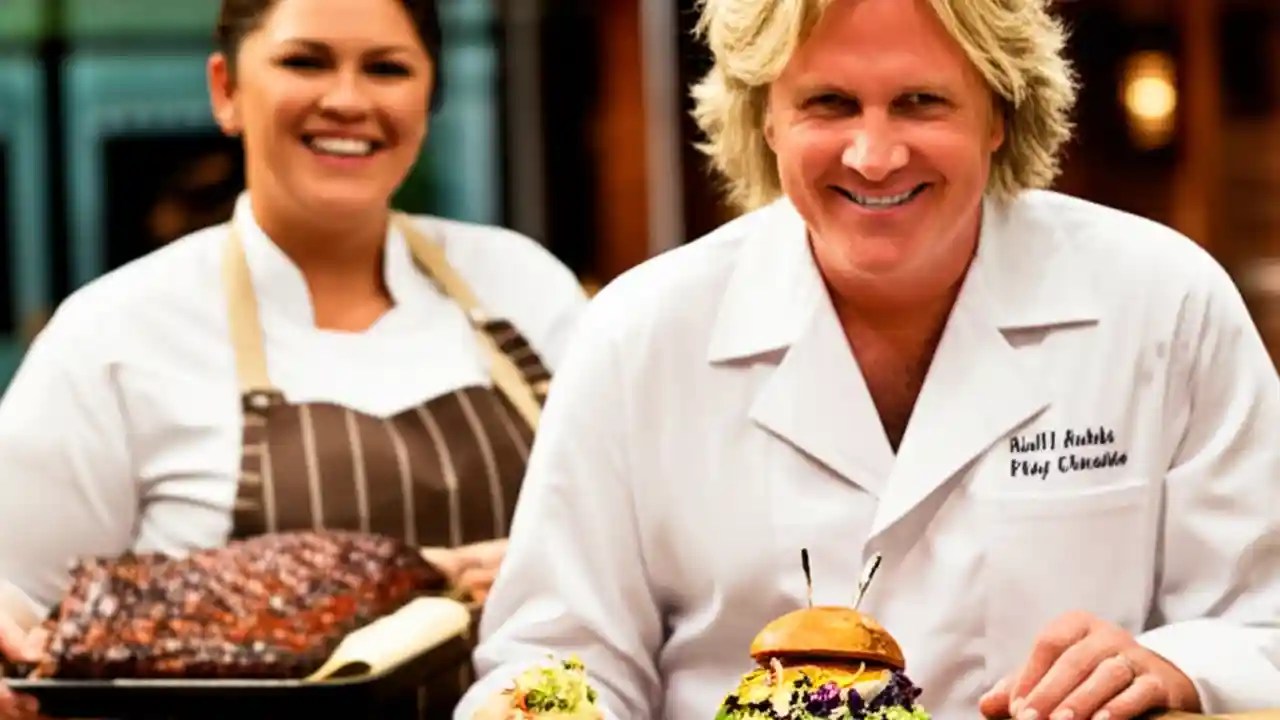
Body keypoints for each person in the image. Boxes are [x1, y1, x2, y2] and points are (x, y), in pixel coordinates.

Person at [457, 0, 1280, 719]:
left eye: (921, 103)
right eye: (829, 103)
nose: (874, 155)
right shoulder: (639, 335)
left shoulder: (1162, 303)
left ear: (998, 113)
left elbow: (1265, 621)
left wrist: (1179, 667)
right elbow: (559, 650)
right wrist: (538, 703)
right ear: (767, 117)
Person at [0, 0, 586, 716]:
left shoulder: (525, 287)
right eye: (304, 61)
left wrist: (550, 569)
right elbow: (15, 597)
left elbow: (636, 543)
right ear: (227, 90)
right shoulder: (113, 335)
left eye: (387, 68)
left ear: (429, 97)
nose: (347, 99)